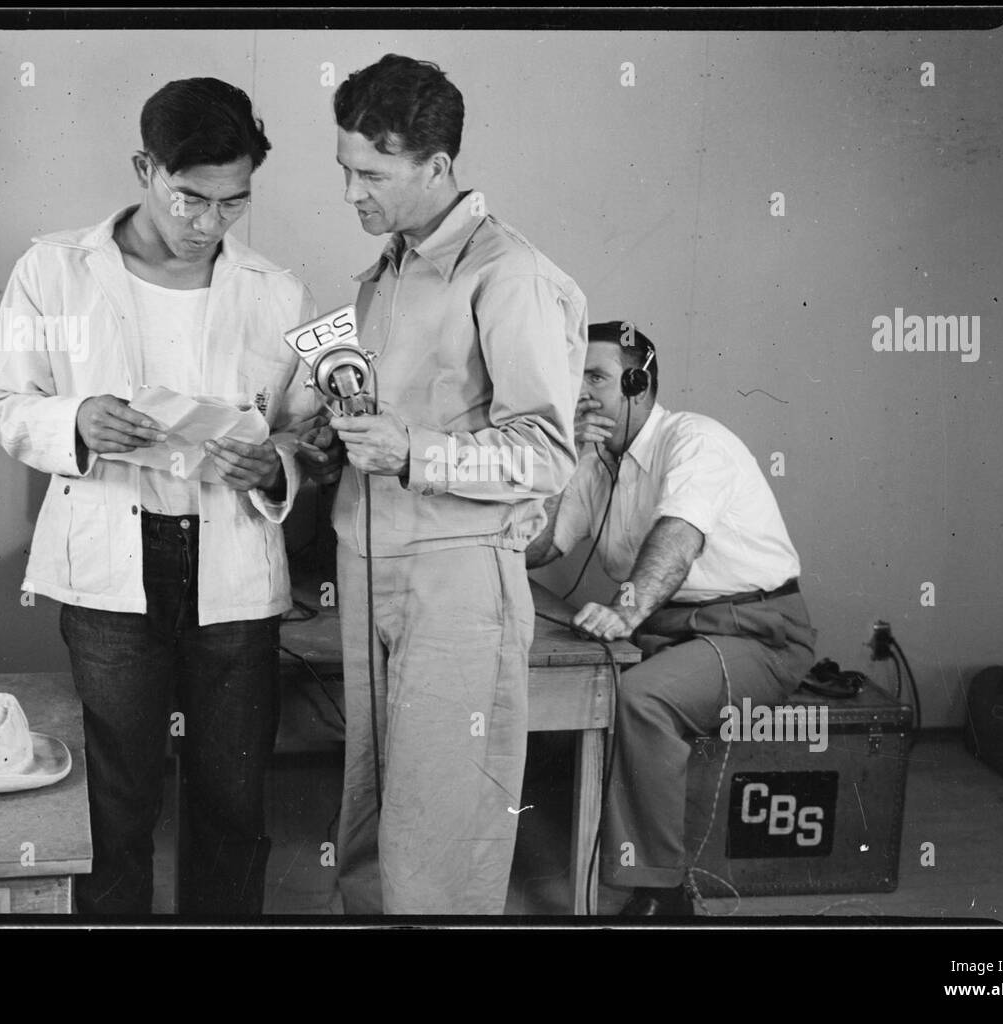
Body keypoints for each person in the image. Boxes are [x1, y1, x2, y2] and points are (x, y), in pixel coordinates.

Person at [0, 77, 334, 916]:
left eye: (232, 204)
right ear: (144, 168)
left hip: (233, 566)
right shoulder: (55, 270)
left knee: (233, 802)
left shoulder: (275, 291)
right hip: (110, 562)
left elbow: (312, 436)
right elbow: (3, 401)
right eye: (189, 198)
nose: (208, 224)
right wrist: (78, 418)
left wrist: (276, 464)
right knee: (115, 802)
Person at [323, 54, 588, 914]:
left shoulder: (511, 276)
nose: (352, 193)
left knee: (443, 821)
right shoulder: (386, 273)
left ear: (436, 167)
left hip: (458, 579)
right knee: (372, 807)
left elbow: (547, 454)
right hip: (368, 564)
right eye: (346, 171)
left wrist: (414, 452)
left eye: (372, 174)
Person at [525, 321, 817, 916]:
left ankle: (662, 890)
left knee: (642, 698)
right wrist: (568, 458)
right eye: (574, 376)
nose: (582, 391)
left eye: (598, 377)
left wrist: (625, 611)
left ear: (638, 384)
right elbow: (539, 547)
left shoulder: (696, 440)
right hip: (673, 627)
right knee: (582, 686)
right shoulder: (597, 460)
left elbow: (678, 537)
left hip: (757, 630)